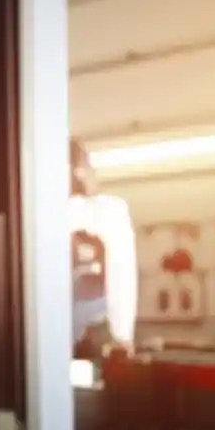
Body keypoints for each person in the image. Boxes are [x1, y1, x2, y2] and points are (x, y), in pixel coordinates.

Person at [69, 138, 138, 357]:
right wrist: (122, 334)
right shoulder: (106, 210)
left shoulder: (105, 211)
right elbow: (122, 272)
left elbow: (121, 270)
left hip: (79, 327)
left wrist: (122, 333)